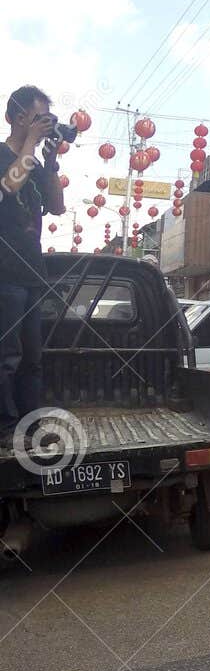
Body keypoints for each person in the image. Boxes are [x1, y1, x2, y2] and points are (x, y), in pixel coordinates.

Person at [0, 86, 65, 435]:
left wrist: (51, 163)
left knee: (32, 359)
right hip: (4, 272)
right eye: (39, 118)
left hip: (31, 272)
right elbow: (8, 187)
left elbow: (57, 206)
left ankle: (31, 425)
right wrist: (29, 145)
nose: (44, 125)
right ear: (17, 117)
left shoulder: (36, 164)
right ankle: (6, 428)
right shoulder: (2, 154)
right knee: (6, 357)